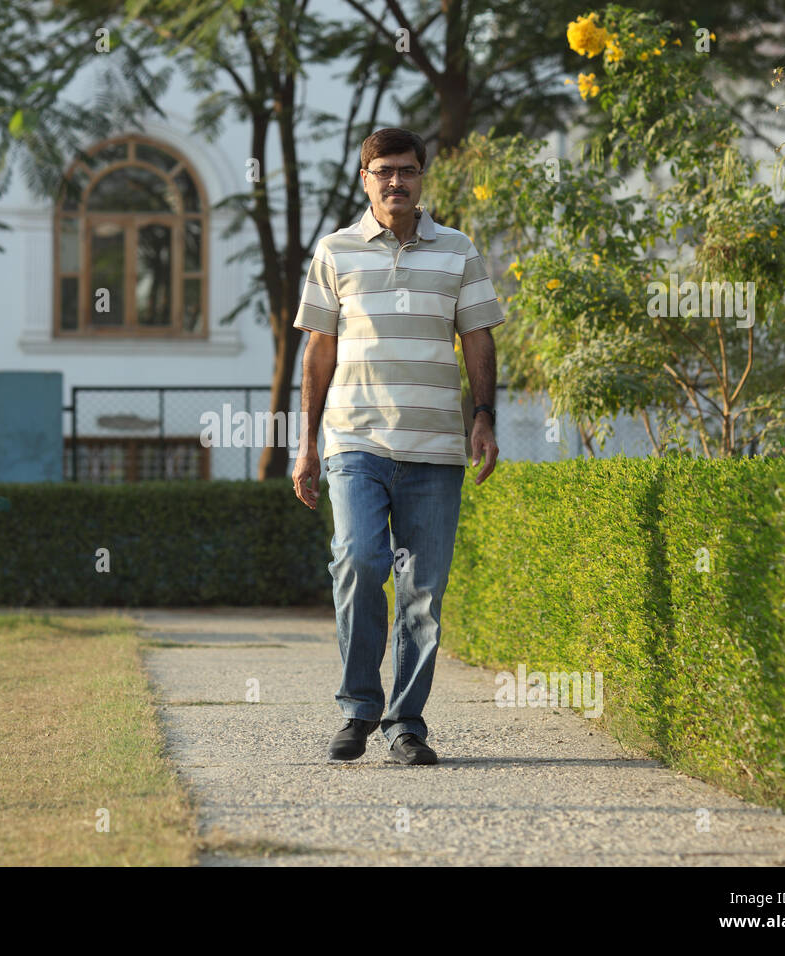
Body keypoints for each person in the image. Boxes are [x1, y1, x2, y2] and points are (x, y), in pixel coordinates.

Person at [291, 127, 504, 765]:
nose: (396, 182)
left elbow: (479, 340)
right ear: (365, 178)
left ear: (421, 178)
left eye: (407, 171)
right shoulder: (335, 251)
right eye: (383, 171)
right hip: (354, 441)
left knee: (422, 590)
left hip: (435, 448)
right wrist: (305, 444)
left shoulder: (457, 251)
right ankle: (358, 709)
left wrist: (485, 417)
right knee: (358, 561)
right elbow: (318, 349)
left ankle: (406, 724)